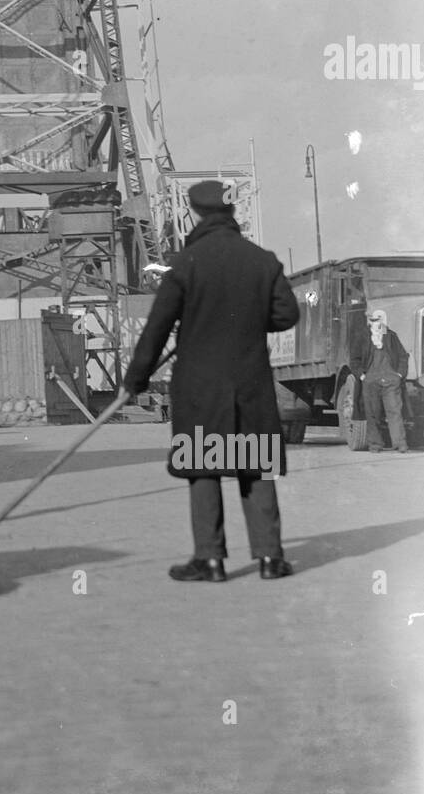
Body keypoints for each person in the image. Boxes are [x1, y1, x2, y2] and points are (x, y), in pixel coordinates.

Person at [122, 180, 300, 583]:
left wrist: (136, 379)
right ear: (232, 211)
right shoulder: (263, 261)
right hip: (250, 383)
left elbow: (157, 328)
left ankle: (210, 560)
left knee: (203, 466)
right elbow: (287, 315)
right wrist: (251, 319)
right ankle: (270, 559)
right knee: (256, 464)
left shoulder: (186, 264)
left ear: (196, 212)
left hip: (200, 388)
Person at [351, 309, 409, 453]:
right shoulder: (362, 337)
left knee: (395, 412)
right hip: (371, 381)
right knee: (373, 414)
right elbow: (354, 360)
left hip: (390, 381)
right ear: (369, 322)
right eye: (373, 320)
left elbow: (403, 356)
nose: (377, 323)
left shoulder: (391, 336)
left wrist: (399, 375)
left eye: (379, 320)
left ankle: (400, 444)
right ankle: (375, 445)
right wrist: (362, 376)